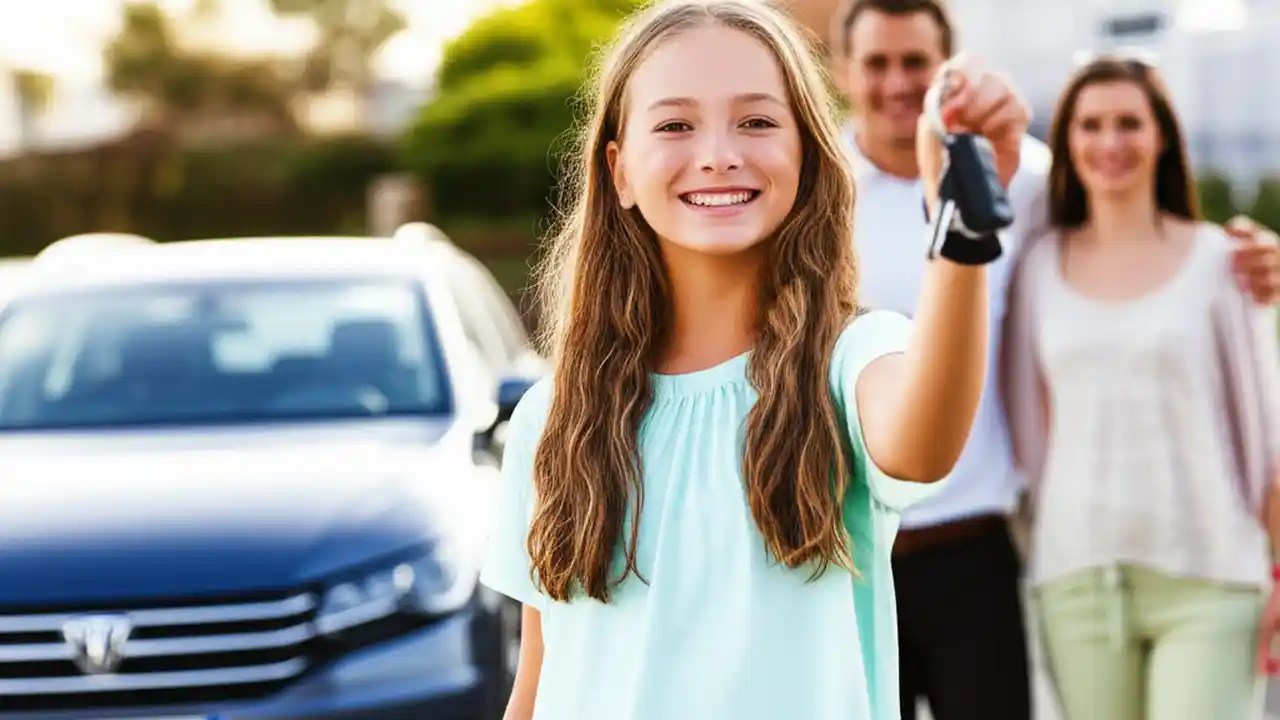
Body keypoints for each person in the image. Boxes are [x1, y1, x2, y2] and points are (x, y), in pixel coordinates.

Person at [479, 0, 1031, 718]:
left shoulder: (848, 361)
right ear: (618, 170)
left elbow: (922, 445)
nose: (717, 152)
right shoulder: (553, 415)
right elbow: (538, 685)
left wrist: (958, 221)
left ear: (805, 154)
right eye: (676, 124)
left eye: (758, 121)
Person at [827, 2, 1280, 719]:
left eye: (915, 62)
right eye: (877, 63)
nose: (897, 82)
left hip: (977, 549)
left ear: (946, 66)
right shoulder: (814, 191)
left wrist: (1250, 261)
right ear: (844, 71)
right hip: (850, 546)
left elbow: (1123, 245)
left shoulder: (1030, 182)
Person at [1001, 56, 1279, 720]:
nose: (1111, 142)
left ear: (1162, 138)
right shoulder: (1038, 267)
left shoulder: (1221, 262)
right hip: (1077, 578)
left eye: (1130, 122)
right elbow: (1021, 428)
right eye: (1091, 125)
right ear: (1067, 141)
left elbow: (1267, 429)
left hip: (1210, 577)